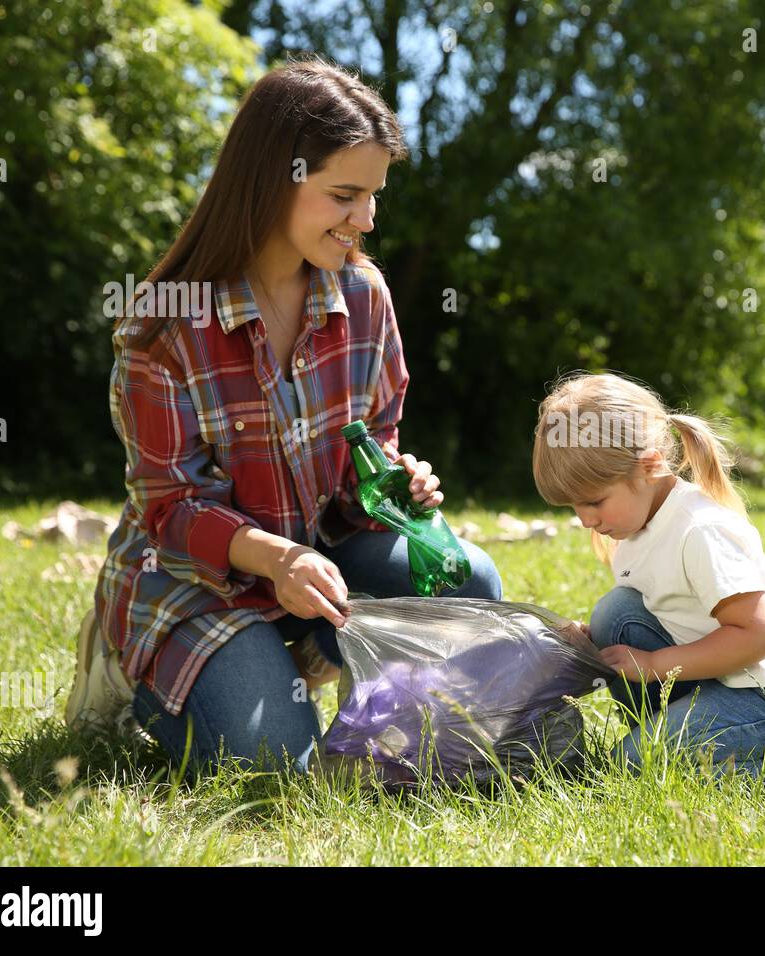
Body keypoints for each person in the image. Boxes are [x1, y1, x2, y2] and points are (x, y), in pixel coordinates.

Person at [68, 60, 501, 775]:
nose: (365, 220)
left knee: (470, 585)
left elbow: (374, 436)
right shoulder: (165, 325)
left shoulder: (364, 297)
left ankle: (304, 658)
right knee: (272, 767)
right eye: (344, 195)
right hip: (198, 582)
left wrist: (393, 479)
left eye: (373, 196)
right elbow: (170, 507)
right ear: (274, 177)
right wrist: (276, 559)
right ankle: (132, 668)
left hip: (322, 556)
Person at [531, 372, 765, 780]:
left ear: (649, 467)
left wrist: (654, 664)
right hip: (715, 674)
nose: (584, 520)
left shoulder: (698, 530)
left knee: (631, 767)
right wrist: (589, 641)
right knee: (615, 613)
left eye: (594, 501)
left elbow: (758, 636)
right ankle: (665, 734)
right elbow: (662, 612)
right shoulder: (635, 523)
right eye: (574, 507)